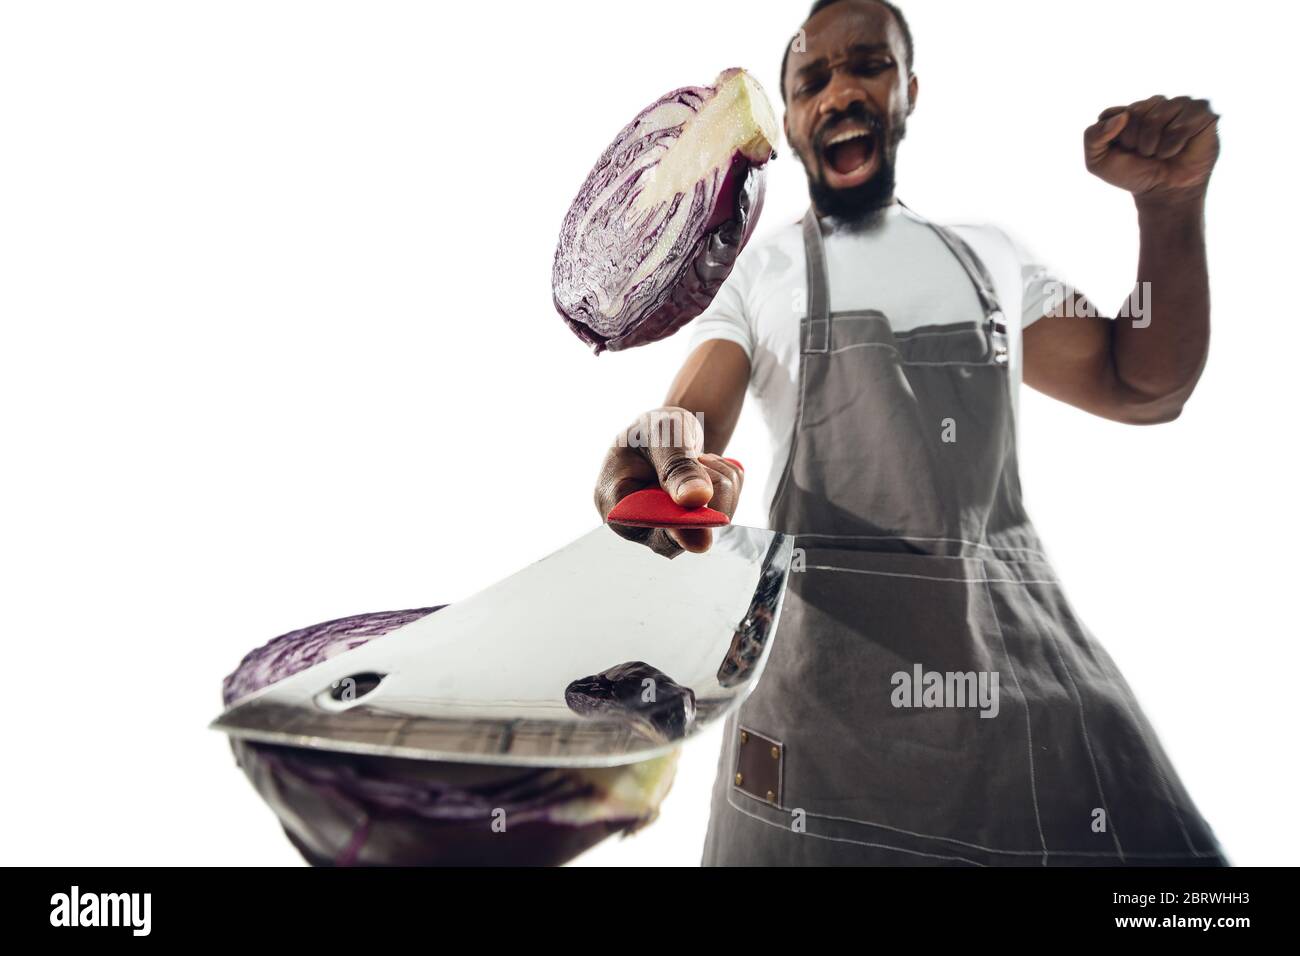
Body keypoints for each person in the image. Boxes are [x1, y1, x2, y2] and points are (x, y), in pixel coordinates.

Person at [592, 0, 1227, 866]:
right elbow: (689, 426)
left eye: (869, 66)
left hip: (1028, 677)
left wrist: (1172, 206)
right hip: (822, 702)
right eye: (813, 79)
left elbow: (1144, 386)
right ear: (789, 117)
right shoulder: (762, 274)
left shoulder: (989, 256)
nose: (840, 91)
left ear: (910, 91)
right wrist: (657, 461)